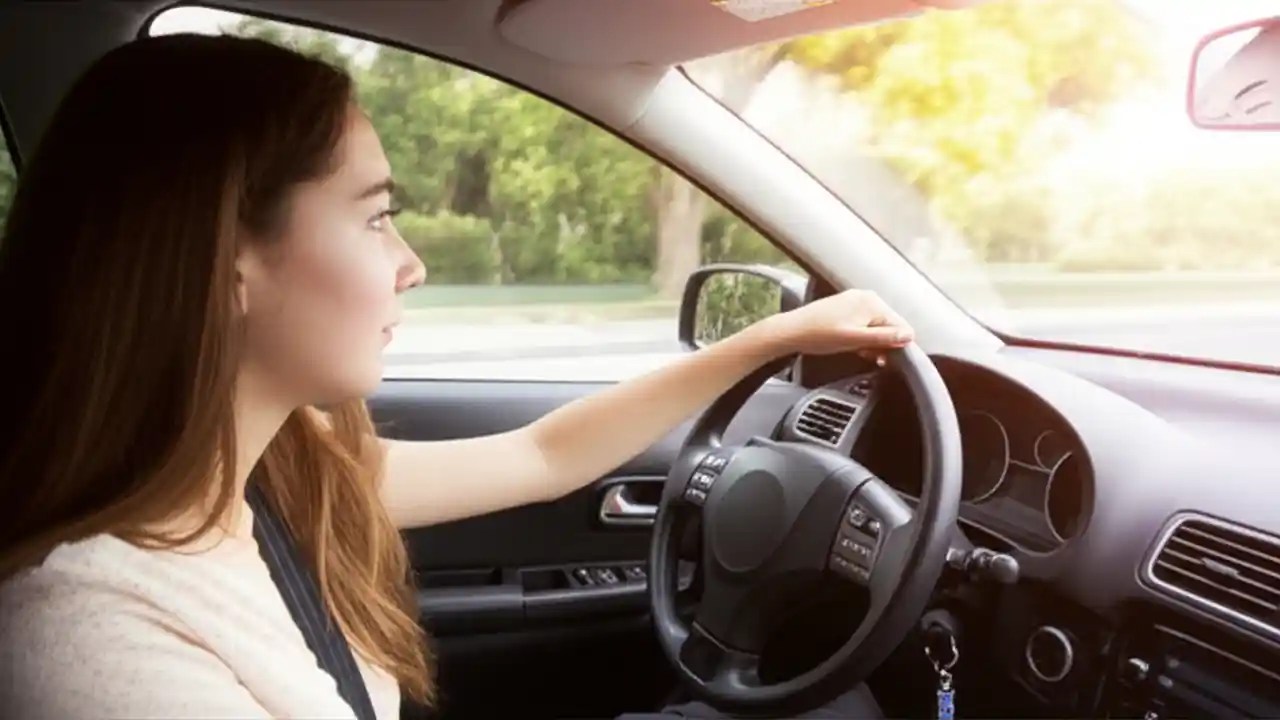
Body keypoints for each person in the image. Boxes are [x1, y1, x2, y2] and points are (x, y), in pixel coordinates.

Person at [0, 34, 909, 719]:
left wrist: (768, 340)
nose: (412, 264)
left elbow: (546, 453)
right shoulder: (92, 643)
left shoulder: (277, 469)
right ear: (226, 265)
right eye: (374, 218)